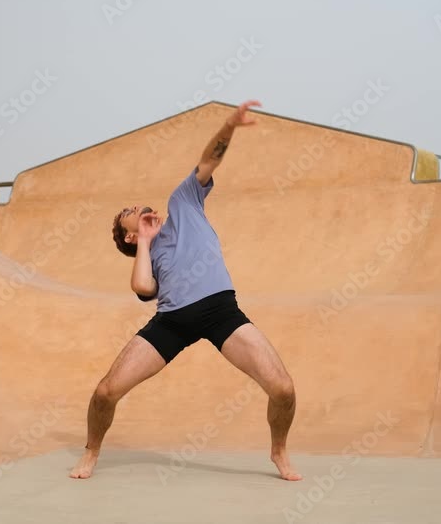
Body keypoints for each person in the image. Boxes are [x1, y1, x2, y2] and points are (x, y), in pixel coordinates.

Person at [69, 100, 301, 481]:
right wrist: (143, 241)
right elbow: (143, 288)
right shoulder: (147, 252)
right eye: (129, 210)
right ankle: (91, 452)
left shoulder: (184, 202)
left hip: (222, 313)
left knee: (284, 389)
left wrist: (229, 125)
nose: (137, 204)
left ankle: (279, 451)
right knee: (106, 391)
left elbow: (209, 160)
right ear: (129, 233)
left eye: (138, 203)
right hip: (171, 323)